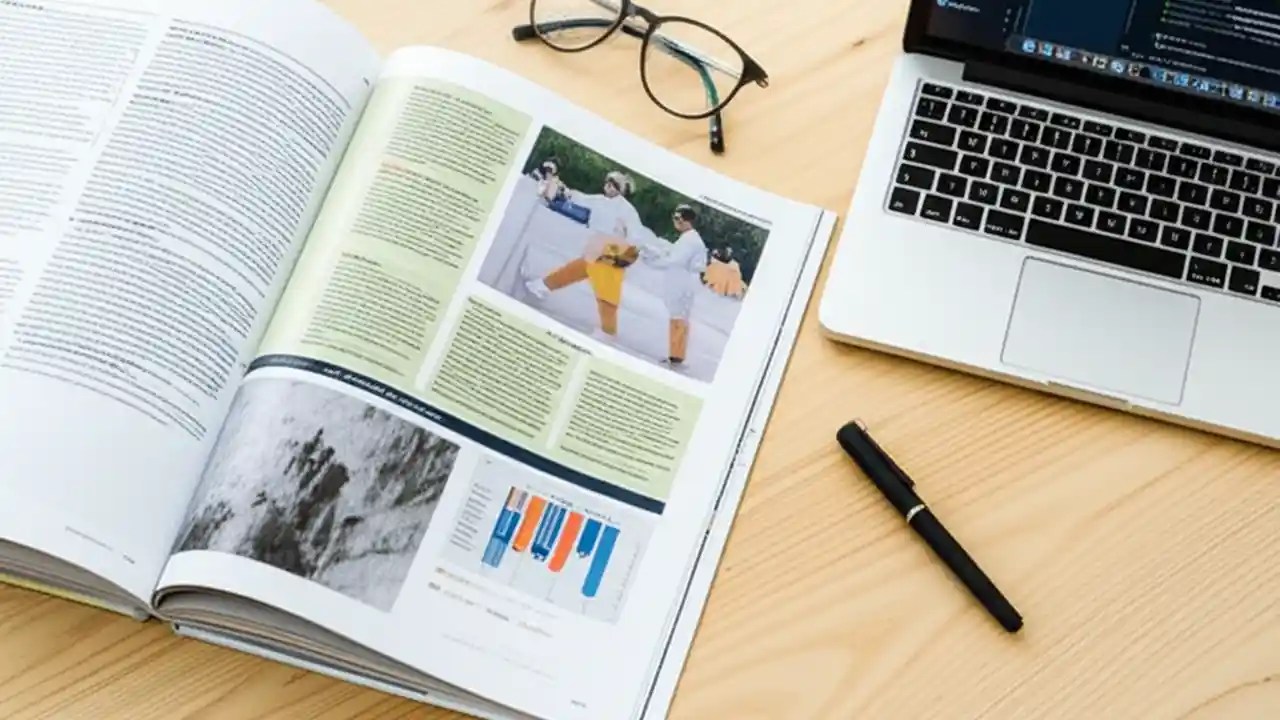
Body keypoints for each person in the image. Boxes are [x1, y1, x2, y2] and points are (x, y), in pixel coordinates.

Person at [525, 171, 645, 342]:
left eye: (614, 185)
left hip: (613, 252)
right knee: (577, 270)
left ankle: (607, 331)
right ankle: (541, 286)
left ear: (621, 190)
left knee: (606, 291)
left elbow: (636, 235)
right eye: (607, 183)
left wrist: (627, 255)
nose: (609, 186)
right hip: (597, 244)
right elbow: (581, 198)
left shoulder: (627, 210)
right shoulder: (599, 200)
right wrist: (563, 190)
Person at [641, 204, 708, 369]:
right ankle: (675, 355)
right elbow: (672, 254)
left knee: (679, 319)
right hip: (681, 281)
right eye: (674, 218)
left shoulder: (691, 241)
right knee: (677, 318)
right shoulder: (687, 238)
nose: (675, 222)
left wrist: (651, 261)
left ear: (687, 221)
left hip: (684, 283)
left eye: (678, 219)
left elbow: (674, 260)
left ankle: (676, 357)